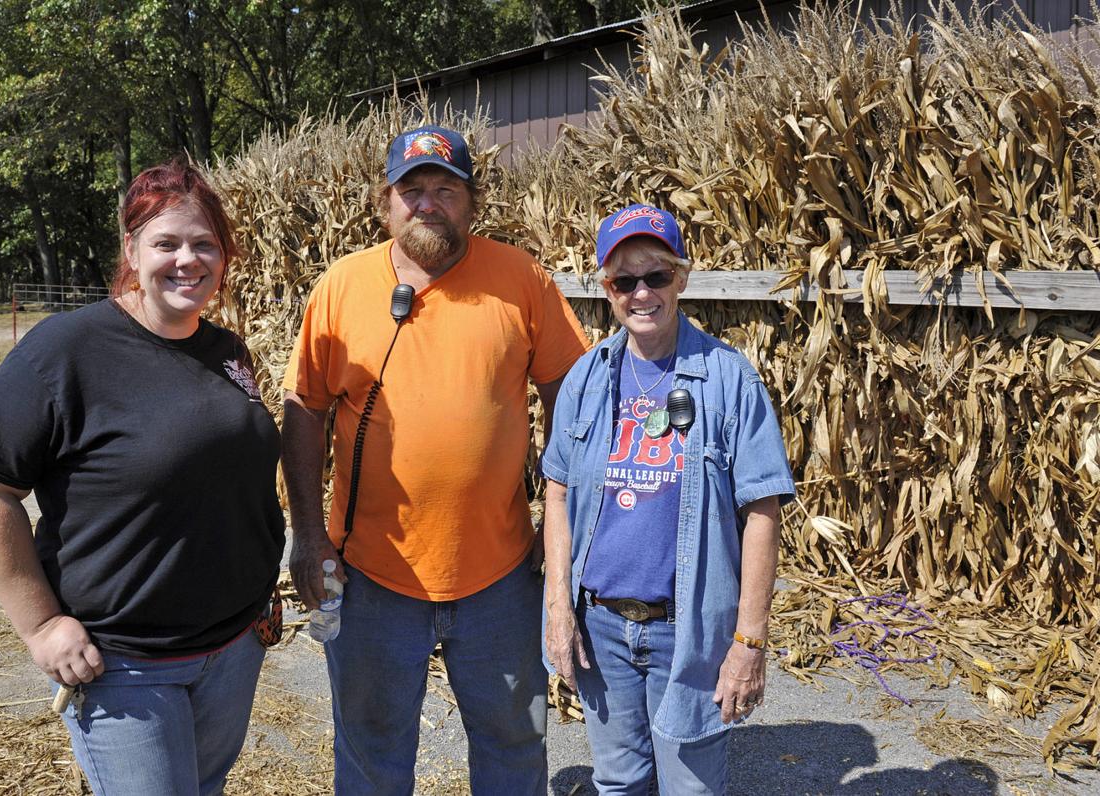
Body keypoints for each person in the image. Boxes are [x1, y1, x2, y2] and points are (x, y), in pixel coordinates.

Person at [0, 160, 285, 795]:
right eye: (166, 243)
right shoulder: (65, 351)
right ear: (131, 250)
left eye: (205, 243)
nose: (188, 259)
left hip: (233, 648)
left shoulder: (227, 351)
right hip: (126, 665)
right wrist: (41, 625)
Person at [281, 124, 589, 794]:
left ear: (470, 201)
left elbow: (572, 394)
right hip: (371, 579)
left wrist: (560, 528)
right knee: (371, 755)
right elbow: (303, 408)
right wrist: (308, 536)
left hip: (500, 576)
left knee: (514, 746)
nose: (427, 203)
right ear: (384, 201)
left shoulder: (520, 280)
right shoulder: (342, 288)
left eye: (444, 190)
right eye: (410, 190)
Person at [542, 203, 796, 794]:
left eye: (655, 275)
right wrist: (559, 611)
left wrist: (749, 642)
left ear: (681, 278)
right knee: (618, 782)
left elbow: (763, 512)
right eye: (624, 280)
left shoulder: (730, 379)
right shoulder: (586, 378)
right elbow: (557, 493)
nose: (641, 293)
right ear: (606, 290)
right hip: (601, 626)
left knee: (691, 789)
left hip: (688, 632)